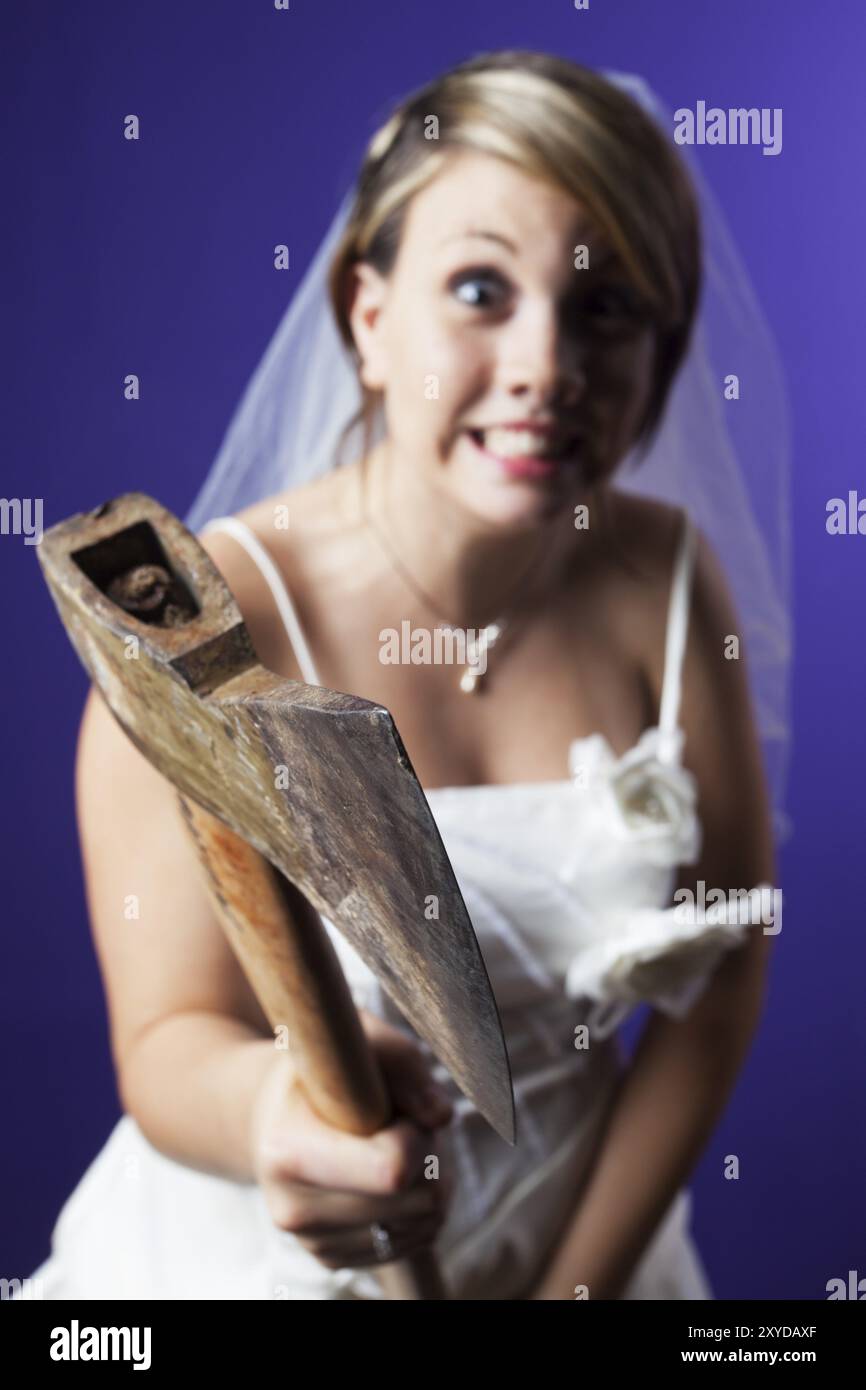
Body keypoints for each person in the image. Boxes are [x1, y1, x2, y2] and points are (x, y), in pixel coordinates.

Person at [25, 50, 791, 1300]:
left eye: (604, 306)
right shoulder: (204, 630)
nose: (548, 363)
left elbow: (726, 966)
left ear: (662, 344)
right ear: (369, 320)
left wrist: (572, 1294)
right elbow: (166, 1042)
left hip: (584, 1254)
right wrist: (281, 1112)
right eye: (481, 288)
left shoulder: (665, 580)